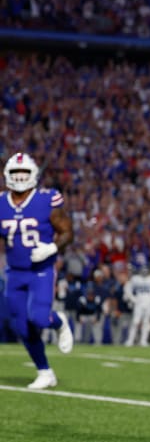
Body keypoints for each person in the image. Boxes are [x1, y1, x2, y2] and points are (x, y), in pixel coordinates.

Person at [2, 152, 74, 388]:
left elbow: (67, 232)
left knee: (39, 317)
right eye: (15, 173)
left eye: (24, 172)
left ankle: (60, 322)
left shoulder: (47, 199)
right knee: (22, 326)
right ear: (7, 175)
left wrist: (51, 248)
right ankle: (45, 371)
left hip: (40, 270)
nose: (20, 177)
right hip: (14, 272)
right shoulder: (2, 203)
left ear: (33, 174)